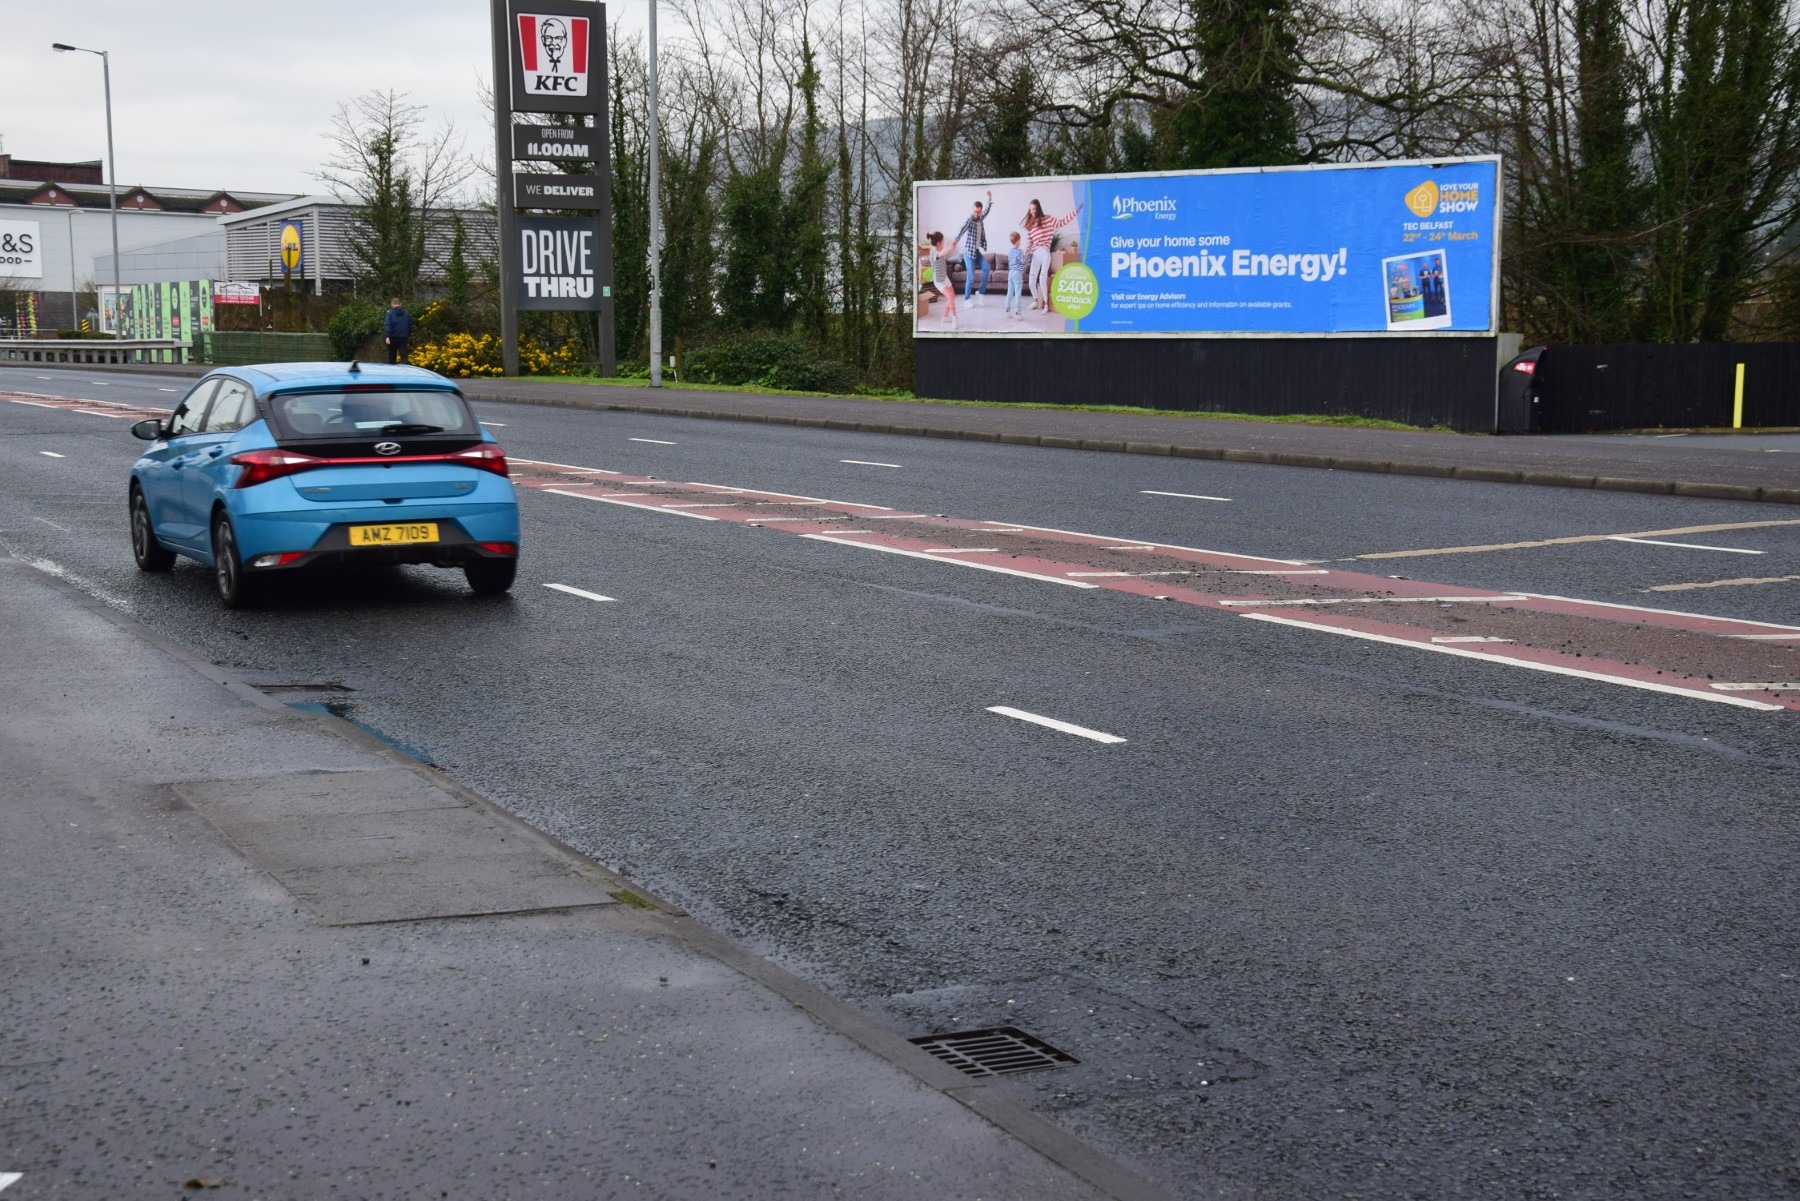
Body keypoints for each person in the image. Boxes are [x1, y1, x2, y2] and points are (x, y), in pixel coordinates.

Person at [1020, 198, 1083, 312]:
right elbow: (1030, 242)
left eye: (1034, 209)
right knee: (1031, 280)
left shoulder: (1048, 219)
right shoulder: (1030, 225)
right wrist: (1025, 253)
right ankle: (1035, 301)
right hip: (1035, 254)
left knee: (1042, 279)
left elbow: (1062, 222)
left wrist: (1076, 211)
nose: (1032, 211)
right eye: (1030, 210)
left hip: (1044, 252)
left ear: (1038, 208)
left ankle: (1045, 305)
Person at [954, 189, 995, 306]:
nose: (976, 214)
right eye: (975, 212)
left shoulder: (981, 218)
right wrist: (956, 240)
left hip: (976, 251)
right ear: (973, 210)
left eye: (978, 212)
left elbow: (987, 210)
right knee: (971, 276)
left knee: (986, 268)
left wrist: (989, 199)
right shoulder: (970, 220)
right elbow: (962, 229)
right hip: (968, 252)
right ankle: (967, 299)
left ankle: (980, 293)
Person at [926, 231, 960, 329]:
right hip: (939, 282)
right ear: (938, 243)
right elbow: (942, 253)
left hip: (944, 278)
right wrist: (951, 247)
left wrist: (952, 245)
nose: (944, 243)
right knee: (950, 297)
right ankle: (954, 318)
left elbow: (943, 252)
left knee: (952, 297)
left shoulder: (939, 252)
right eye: (943, 241)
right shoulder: (934, 254)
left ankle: (944, 317)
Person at [1003, 230, 1027, 319]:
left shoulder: (1010, 252)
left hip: (1011, 273)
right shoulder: (1020, 252)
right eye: (1020, 240)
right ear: (1018, 241)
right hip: (1017, 273)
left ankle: (1007, 311)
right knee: (1017, 293)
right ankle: (1018, 313)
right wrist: (1026, 255)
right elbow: (1023, 261)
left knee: (1009, 292)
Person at [384, 298, 413, 364]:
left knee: (392, 358)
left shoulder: (389, 313)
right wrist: (408, 335)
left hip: (392, 338)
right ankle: (407, 372)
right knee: (404, 357)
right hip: (403, 338)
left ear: (392, 304)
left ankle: (392, 372)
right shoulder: (406, 313)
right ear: (400, 304)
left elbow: (388, 325)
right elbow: (409, 325)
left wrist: (387, 336)